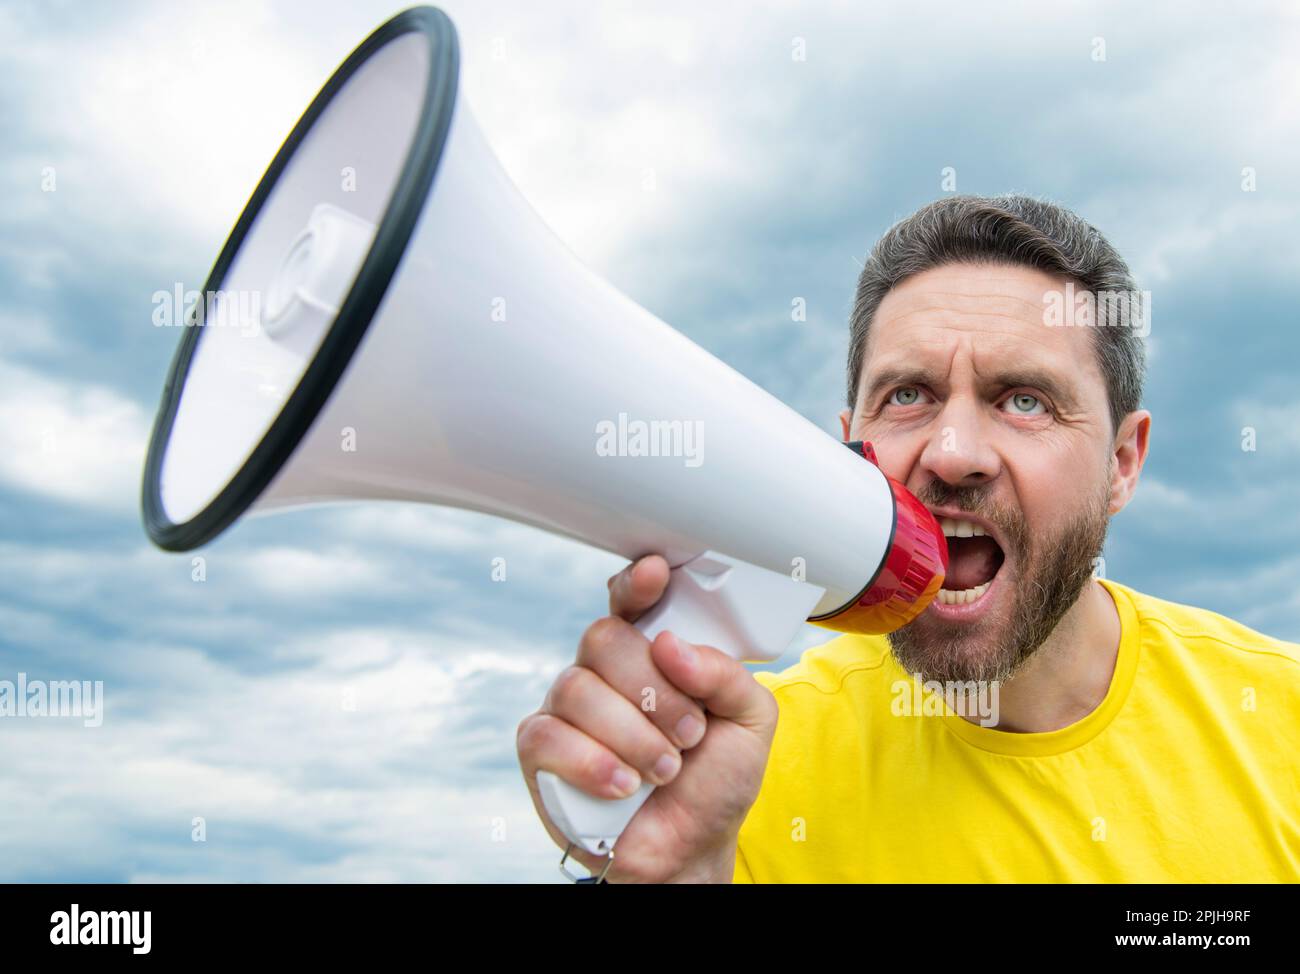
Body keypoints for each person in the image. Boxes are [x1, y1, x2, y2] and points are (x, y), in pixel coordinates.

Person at [516, 195, 1300, 882]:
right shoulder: (734, 769)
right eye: (909, 395)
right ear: (849, 450)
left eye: (1025, 400)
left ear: (1122, 463)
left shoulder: (1280, 723)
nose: (953, 453)